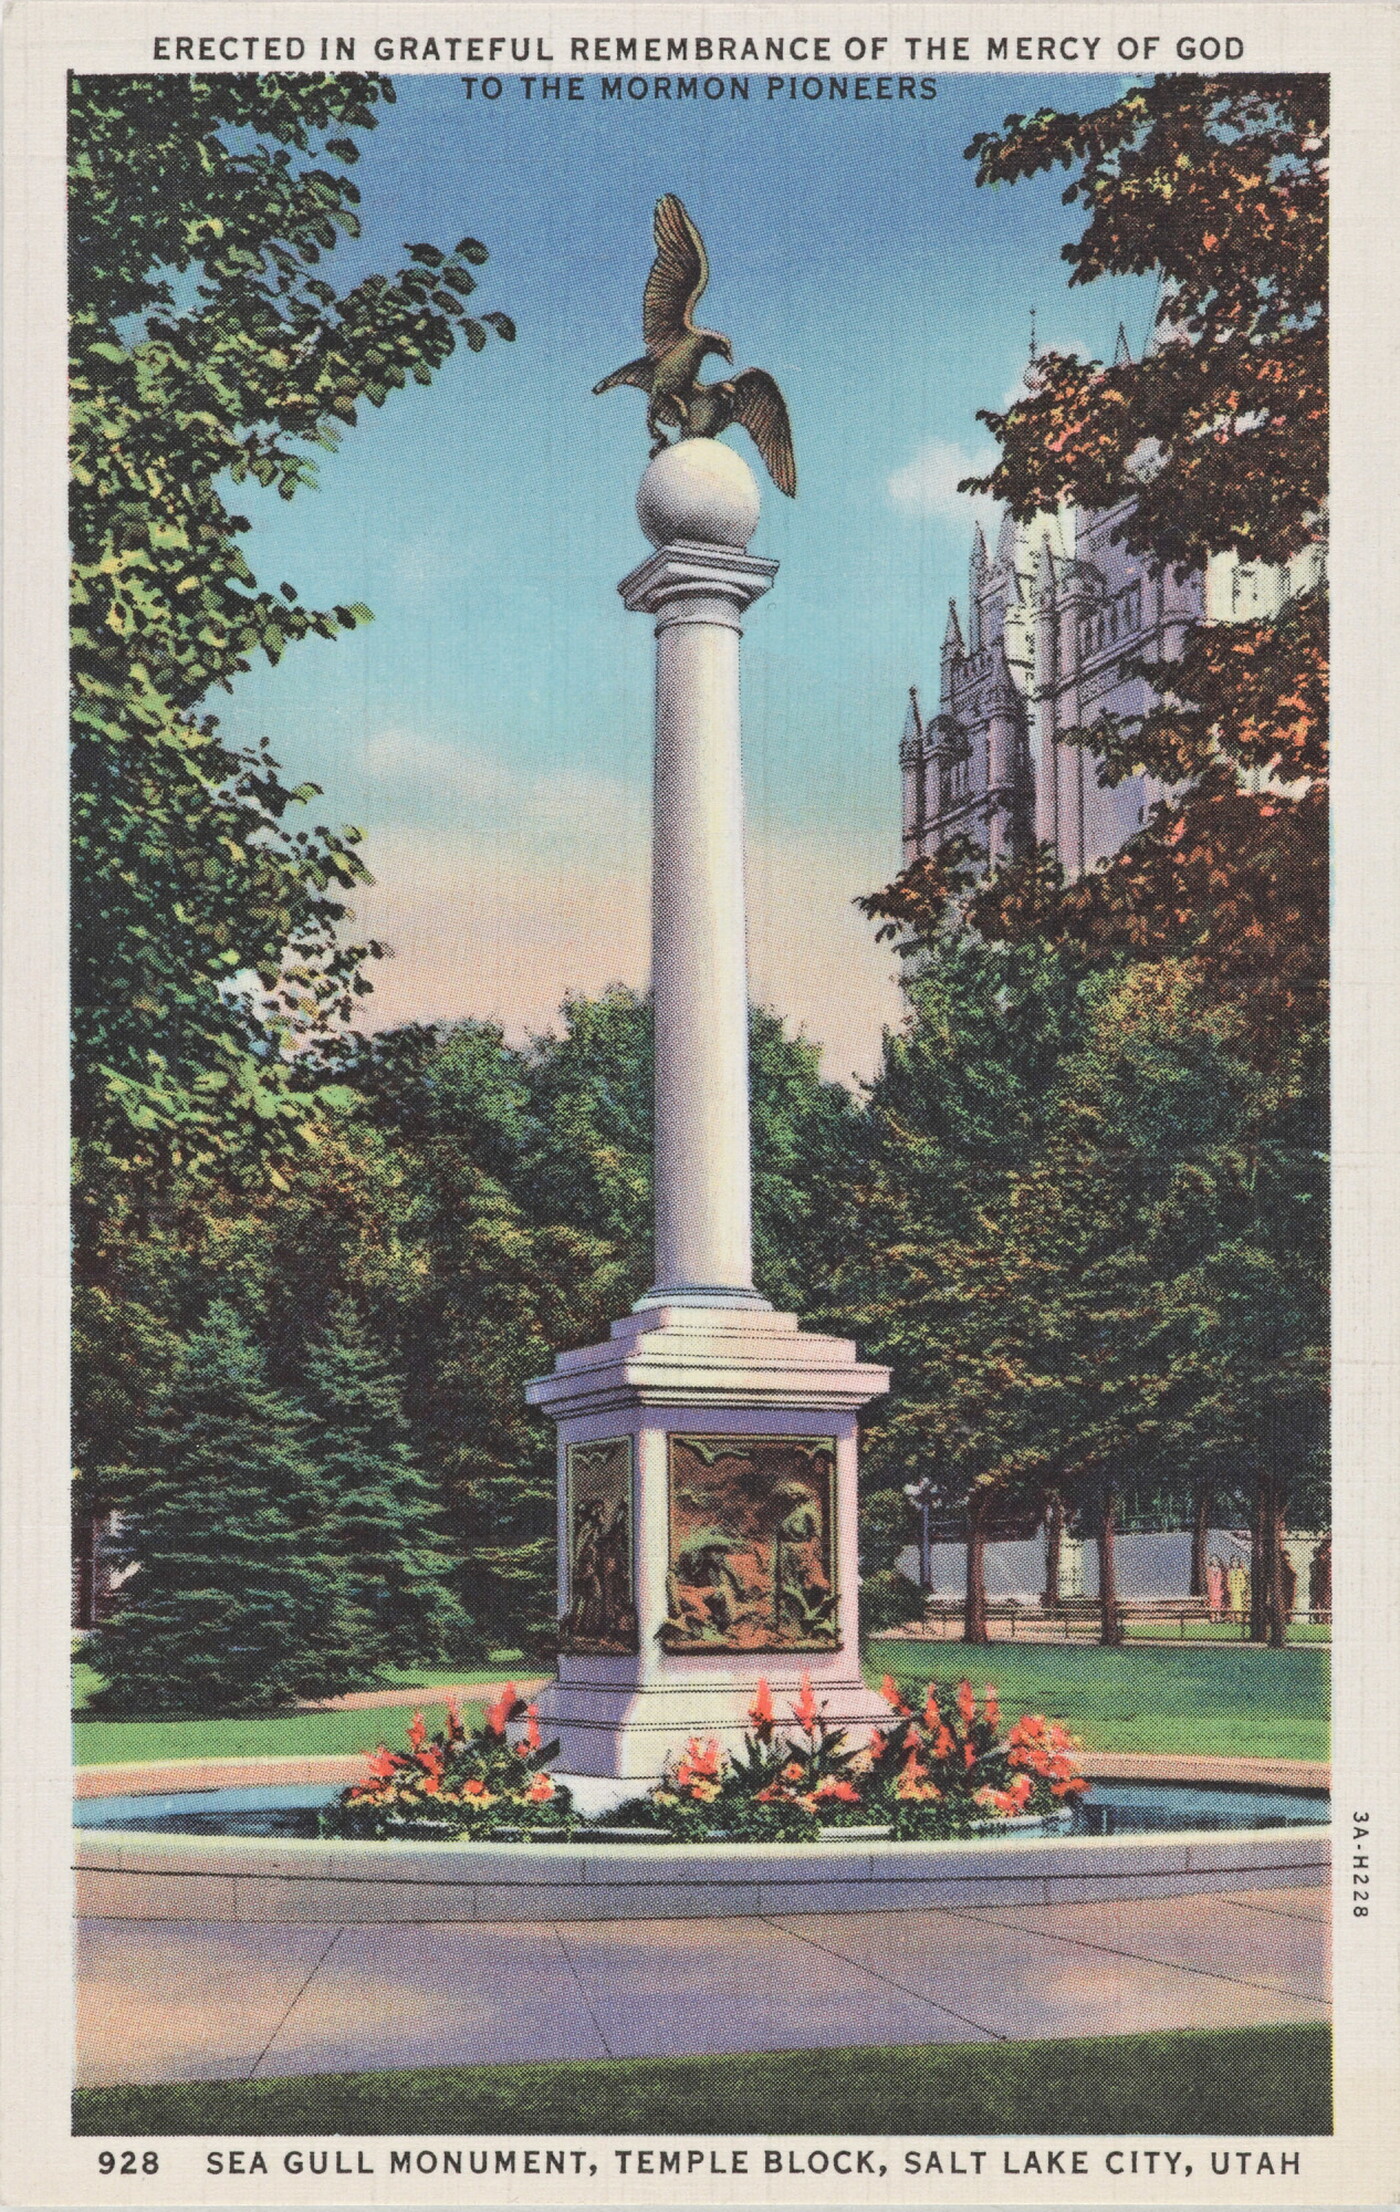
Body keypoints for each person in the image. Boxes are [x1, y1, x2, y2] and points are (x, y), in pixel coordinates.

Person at [1309, 1536, 1332, 1624]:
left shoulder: (1328, 1559)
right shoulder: (1315, 1563)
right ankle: (1317, 1619)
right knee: (1316, 1602)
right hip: (1318, 1584)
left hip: (1325, 1584)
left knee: (1326, 1602)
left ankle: (1325, 1620)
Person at [1226, 1557, 1249, 1626]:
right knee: (1233, 1605)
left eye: (1236, 1562)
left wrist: (1242, 1588)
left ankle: (1239, 1619)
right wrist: (1229, 1588)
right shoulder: (1230, 1571)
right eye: (1233, 1562)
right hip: (1233, 1590)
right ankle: (1233, 1619)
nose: (1234, 1563)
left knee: (1239, 1605)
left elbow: (1244, 1580)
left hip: (1239, 1591)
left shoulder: (1241, 1571)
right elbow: (1228, 1581)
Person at [1206, 1555, 1226, 1623]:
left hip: (1218, 1589)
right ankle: (1213, 1617)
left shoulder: (1219, 1570)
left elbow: (1221, 1580)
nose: (1215, 1562)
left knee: (1218, 1603)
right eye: (1213, 1561)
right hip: (1212, 1589)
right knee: (1212, 1603)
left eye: (1216, 1561)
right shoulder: (1209, 1570)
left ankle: (1218, 1617)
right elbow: (1208, 1580)